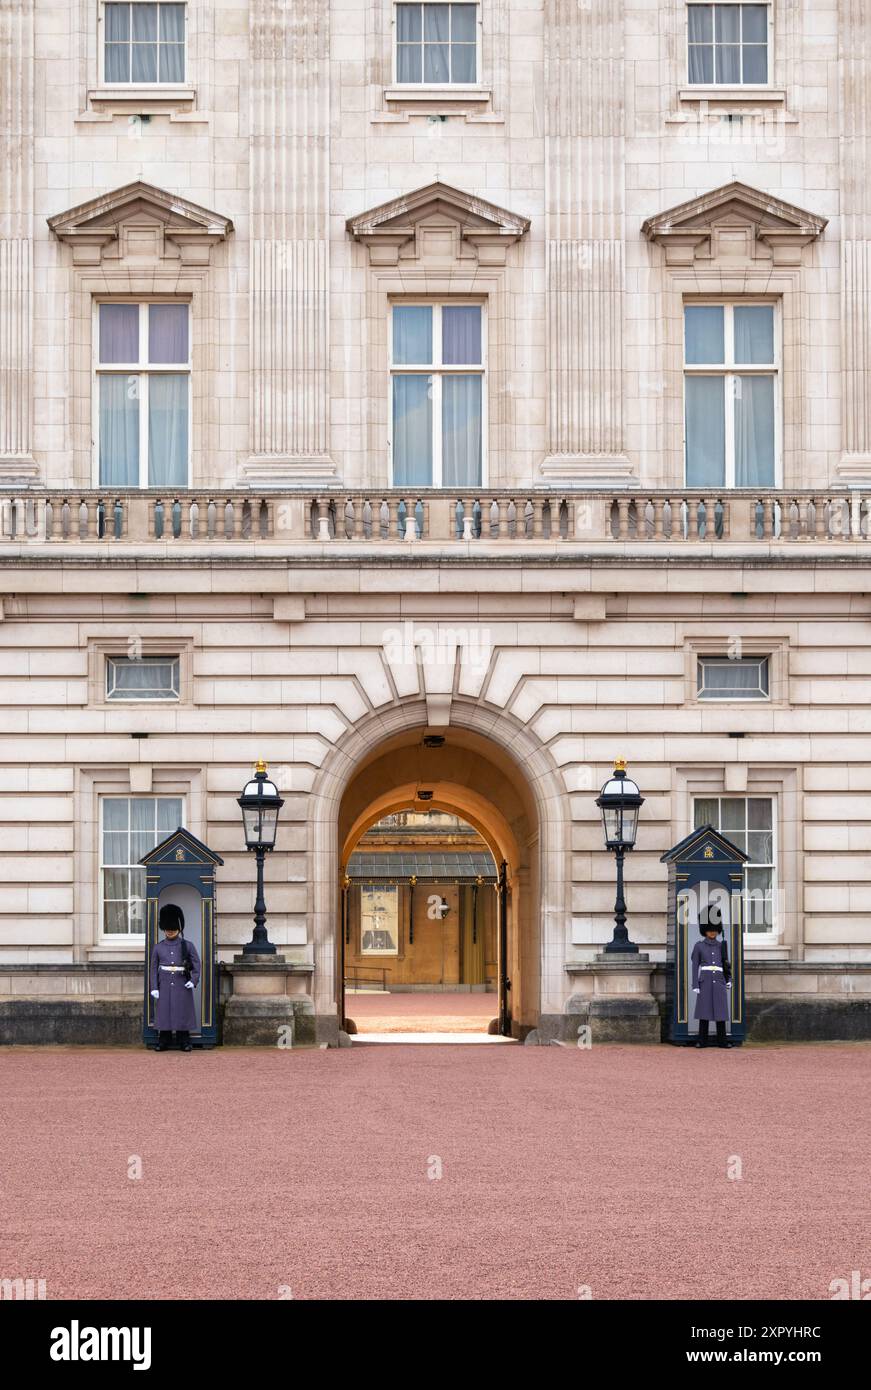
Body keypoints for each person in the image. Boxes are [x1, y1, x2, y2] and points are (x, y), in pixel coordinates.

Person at [149, 904, 200, 1052]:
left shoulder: (187, 946)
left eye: (173, 929)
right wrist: (154, 987)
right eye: (168, 929)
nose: (170, 932)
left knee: (182, 1011)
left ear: (179, 929)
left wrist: (193, 979)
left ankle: (184, 1040)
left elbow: (197, 964)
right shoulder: (158, 947)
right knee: (164, 1012)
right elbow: (153, 968)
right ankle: (163, 1040)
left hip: (181, 982)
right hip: (164, 983)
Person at [691, 916, 734, 1049]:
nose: (712, 932)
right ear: (705, 931)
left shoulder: (721, 946)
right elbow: (695, 966)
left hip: (719, 980)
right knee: (704, 1012)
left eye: (715, 930)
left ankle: (723, 1041)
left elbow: (725, 964)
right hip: (705, 980)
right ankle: (701, 1041)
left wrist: (729, 979)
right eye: (710, 930)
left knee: (721, 1012)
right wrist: (695, 984)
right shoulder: (699, 946)